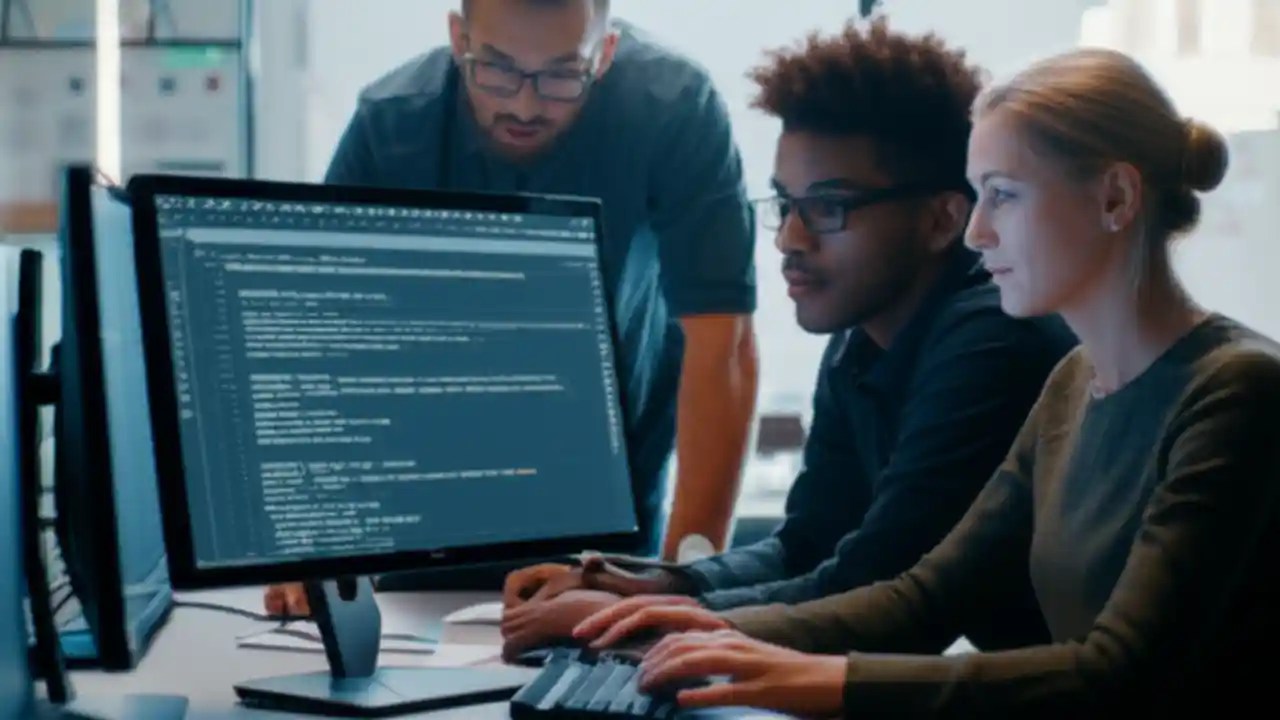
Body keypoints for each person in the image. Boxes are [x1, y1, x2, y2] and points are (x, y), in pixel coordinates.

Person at [570, 46, 1280, 717]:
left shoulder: (1235, 391)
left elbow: (1117, 671)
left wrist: (828, 678)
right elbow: (928, 593)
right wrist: (691, 623)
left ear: (1116, 199)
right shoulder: (1074, 379)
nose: (976, 234)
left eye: (1002, 196)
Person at [499, 20, 1077, 659]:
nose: (789, 240)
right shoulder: (862, 337)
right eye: (784, 203)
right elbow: (810, 543)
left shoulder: (993, 340)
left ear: (942, 218)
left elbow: (877, 593)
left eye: (827, 207)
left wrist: (643, 615)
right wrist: (656, 581)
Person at [263, 0, 761, 616]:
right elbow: (320, 342)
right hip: (418, 509)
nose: (524, 105)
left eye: (560, 75)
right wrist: (314, 544)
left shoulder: (675, 109)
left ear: (604, 54)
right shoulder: (391, 124)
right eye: (496, 70)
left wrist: (688, 581)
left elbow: (724, 347)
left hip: (605, 525)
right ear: (457, 38)